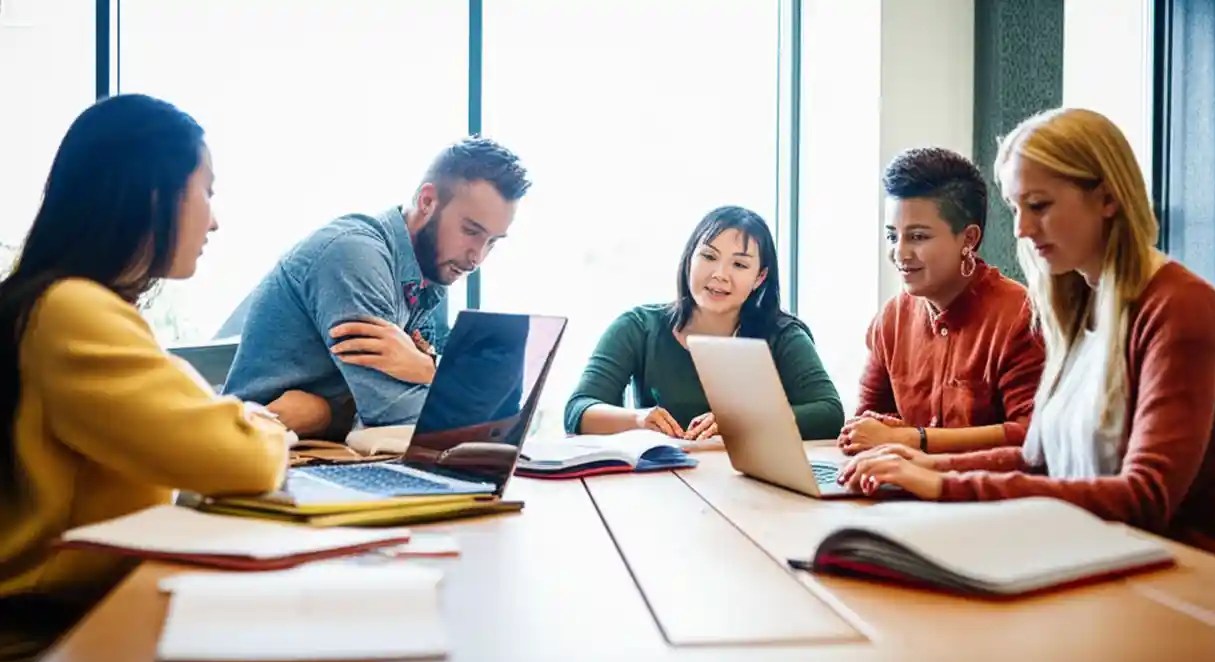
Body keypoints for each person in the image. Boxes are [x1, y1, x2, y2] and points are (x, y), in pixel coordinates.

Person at [839, 108, 1215, 570]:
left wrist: (944, 483)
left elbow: (1145, 497)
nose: (1021, 229)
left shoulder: (1179, 306)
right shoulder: (1075, 303)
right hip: (1096, 557)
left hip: (1192, 573)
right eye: (1016, 208)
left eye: (1039, 206)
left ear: (1107, 198)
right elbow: (1039, 460)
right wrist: (924, 465)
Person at [0, 95, 290, 662]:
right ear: (156, 194)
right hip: (43, 653)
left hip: (70, 628)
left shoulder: (53, 303)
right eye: (207, 191)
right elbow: (243, 460)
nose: (214, 221)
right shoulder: (71, 311)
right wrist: (268, 425)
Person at [221, 137, 531, 438]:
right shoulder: (354, 255)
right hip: (257, 451)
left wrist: (428, 369)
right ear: (427, 201)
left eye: (492, 242)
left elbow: (499, 411)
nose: (477, 258)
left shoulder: (427, 276)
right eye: (470, 231)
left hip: (327, 451)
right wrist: (441, 379)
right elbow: (396, 414)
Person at [565, 206, 843, 441]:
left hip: (751, 482)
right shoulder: (638, 327)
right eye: (709, 257)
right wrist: (638, 420)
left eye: (739, 265)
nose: (720, 274)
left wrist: (739, 422)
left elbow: (829, 413)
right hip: (661, 479)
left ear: (759, 278)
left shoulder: (782, 334)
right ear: (690, 259)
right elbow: (579, 409)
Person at [841, 148, 1044, 456]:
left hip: (985, 487)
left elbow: (1032, 436)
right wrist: (885, 434)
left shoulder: (1021, 317)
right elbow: (864, 425)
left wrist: (915, 439)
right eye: (892, 236)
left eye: (918, 237)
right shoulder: (892, 318)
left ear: (969, 239)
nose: (900, 253)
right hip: (901, 482)